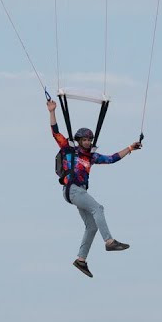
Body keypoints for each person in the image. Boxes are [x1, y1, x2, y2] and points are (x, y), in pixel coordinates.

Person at [47, 98, 141, 278]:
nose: (88, 142)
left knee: (91, 226)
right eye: (85, 140)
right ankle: (109, 241)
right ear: (79, 140)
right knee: (98, 208)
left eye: (90, 140)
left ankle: (81, 260)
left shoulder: (91, 157)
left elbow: (112, 158)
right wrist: (52, 111)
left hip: (79, 192)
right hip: (73, 189)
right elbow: (55, 133)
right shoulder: (69, 150)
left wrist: (130, 147)